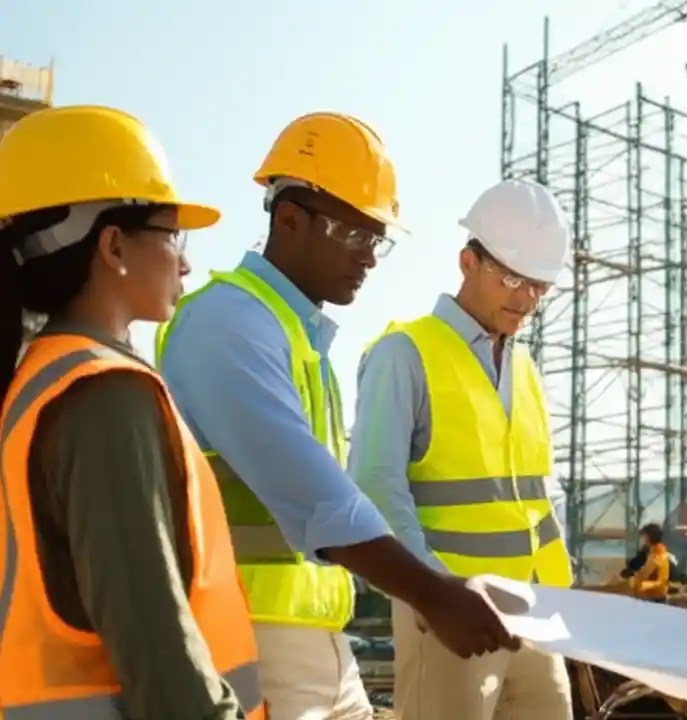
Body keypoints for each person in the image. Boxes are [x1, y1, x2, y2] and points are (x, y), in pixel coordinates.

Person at [155, 112, 519, 719]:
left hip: (323, 641)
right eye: (353, 236)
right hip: (248, 640)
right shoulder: (228, 322)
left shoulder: (300, 339)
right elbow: (319, 496)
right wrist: (431, 593)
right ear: (290, 220)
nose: (370, 259)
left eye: (377, 239)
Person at [0, 105, 264, 718]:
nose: (186, 261)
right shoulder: (103, 395)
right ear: (113, 244)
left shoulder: (38, 384)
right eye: (175, 234)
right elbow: (156, 645)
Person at [349, 178, 575, 720]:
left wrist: (563, 597)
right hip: (448, 614)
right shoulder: (405, 354)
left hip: (535, 613)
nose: (525, 299)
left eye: (539, 287)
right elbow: (377, 484)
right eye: (511, 278)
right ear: (467, 262)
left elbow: (544, 490)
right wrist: (433, 593)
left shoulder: (524, 367)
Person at [629, 523, 672, 602]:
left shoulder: (657, 555)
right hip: (655, 594)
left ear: (648, 537)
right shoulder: (658, 551)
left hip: (654, 597)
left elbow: (645, 574)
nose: (642, 538)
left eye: (643, 536)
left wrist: (633, 579)